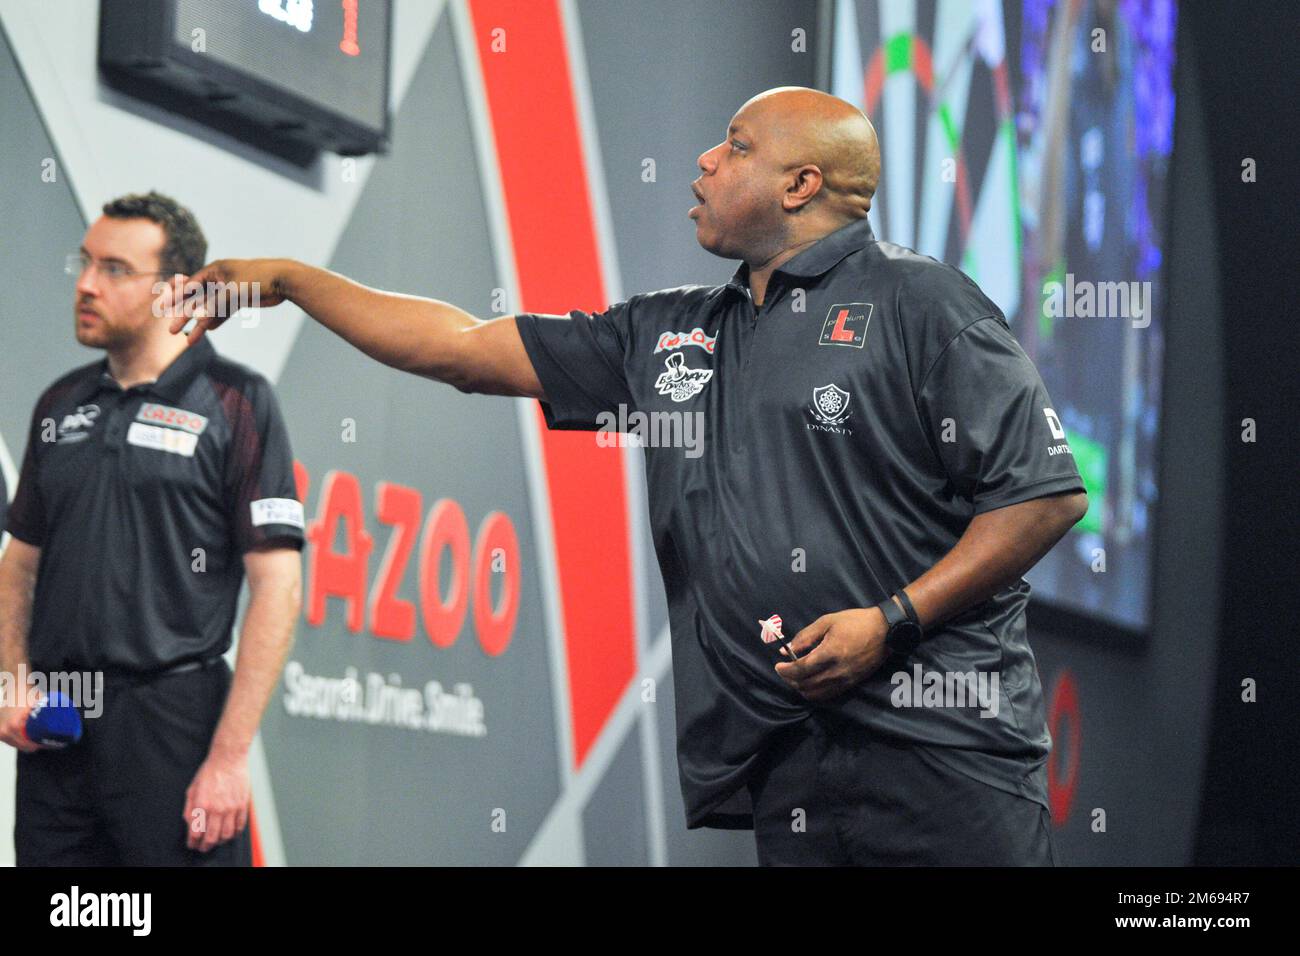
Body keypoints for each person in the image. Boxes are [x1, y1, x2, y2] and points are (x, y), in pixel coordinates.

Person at [165, 87, 1088, 865]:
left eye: (735, 147)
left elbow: (1045, 495)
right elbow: (459, 346)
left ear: (802, 185)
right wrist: (286, 280)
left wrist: (893, 622)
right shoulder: (668, 330)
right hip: (788, 762)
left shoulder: (921, 303)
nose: (704, 161)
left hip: (947, 753)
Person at [0, 191, 304, 865]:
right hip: (60, 728)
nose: (84, 283)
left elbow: (278, 585)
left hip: (173, 724)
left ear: (174, 291)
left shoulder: (237, 402)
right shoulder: (61, 404)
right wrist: (13, 683)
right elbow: (19, 564)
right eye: (85, 262)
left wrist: (227, 758)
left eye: (113, 269)